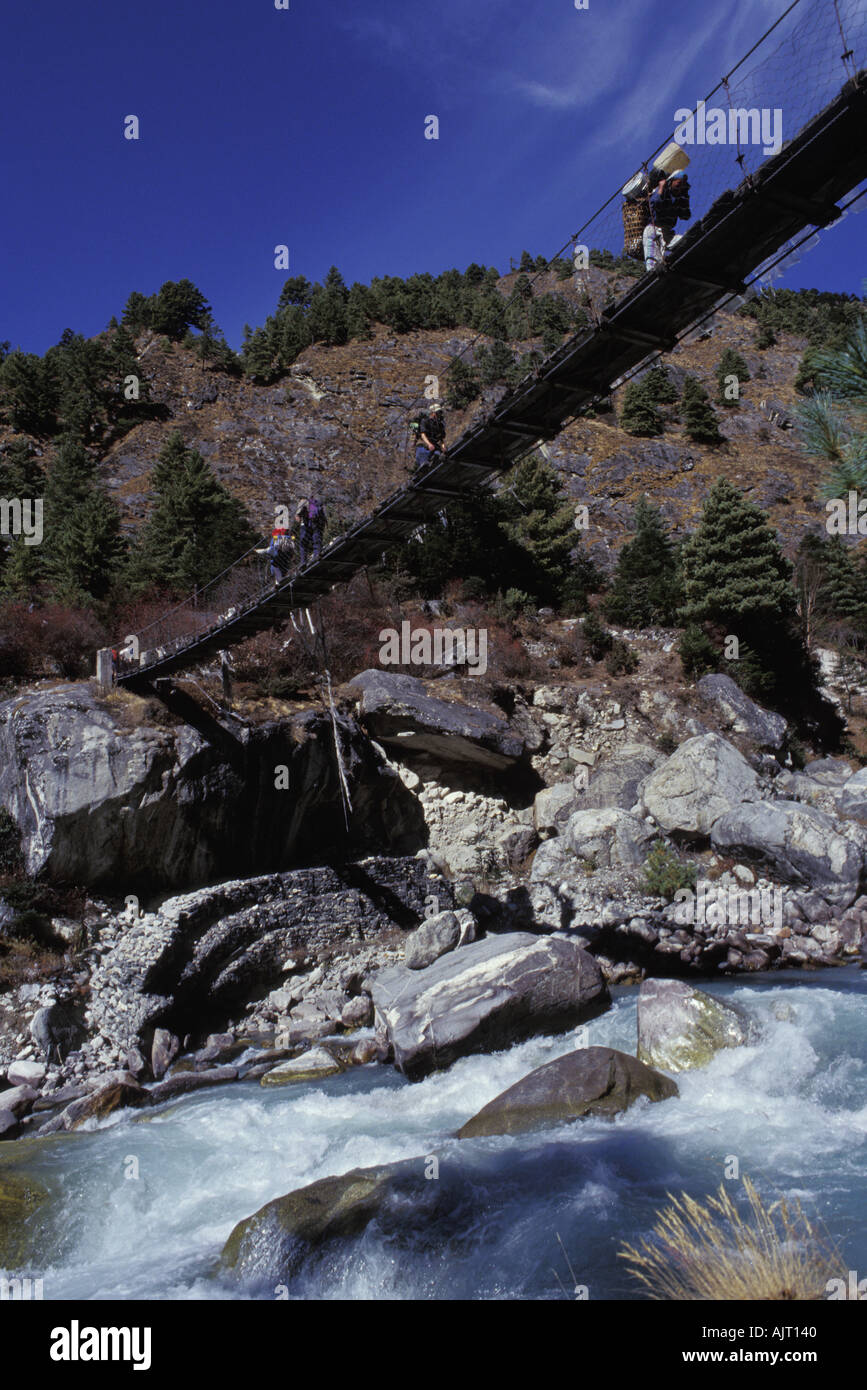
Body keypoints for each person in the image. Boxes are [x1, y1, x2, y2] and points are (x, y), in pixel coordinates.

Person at [643, 169, 691, 271]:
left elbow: (686, 216)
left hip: (667, 233)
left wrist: (685, 196)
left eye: (683, 186)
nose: (680, 187)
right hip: (653, 230)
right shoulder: (663, 192)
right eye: (678, 184)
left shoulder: (678, 199)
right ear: (671, 181)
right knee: (652, 265)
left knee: (685, 241)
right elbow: (654, 203)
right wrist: (661, 186)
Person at [293, 499, 310, 564]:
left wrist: (296, 516)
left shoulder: (302, 502)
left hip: (304, 525)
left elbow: (298, 518)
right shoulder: (310, 502)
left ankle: (303, 562)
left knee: (303, 544)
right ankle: (316, 554)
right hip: (313, 524)